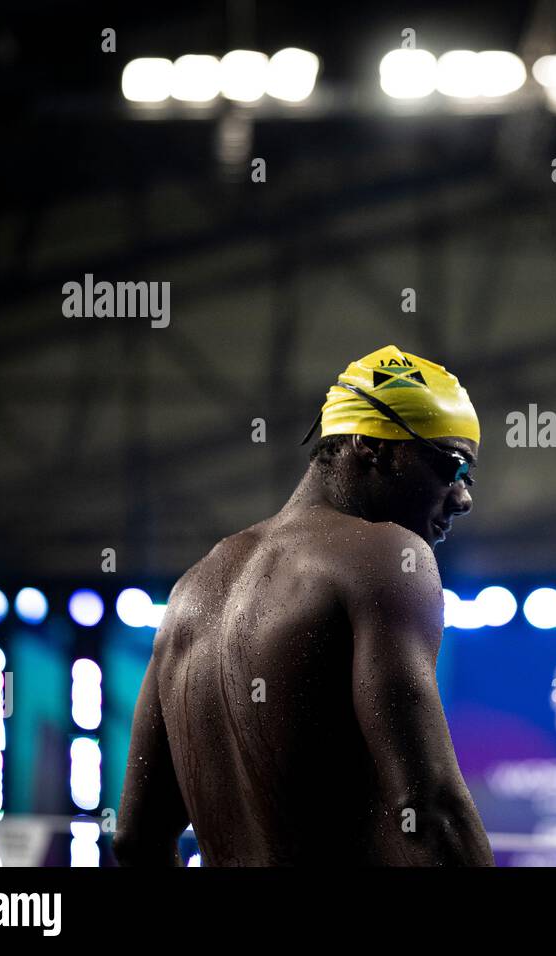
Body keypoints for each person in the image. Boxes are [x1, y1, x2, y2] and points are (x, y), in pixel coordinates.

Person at [114, 345, 494, 865]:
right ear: (372, 446)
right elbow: (431, 808)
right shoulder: (385, 555)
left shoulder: (193, 590)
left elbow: (136, 839)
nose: (463, 497)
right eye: (451, 466)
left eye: (469, 479)